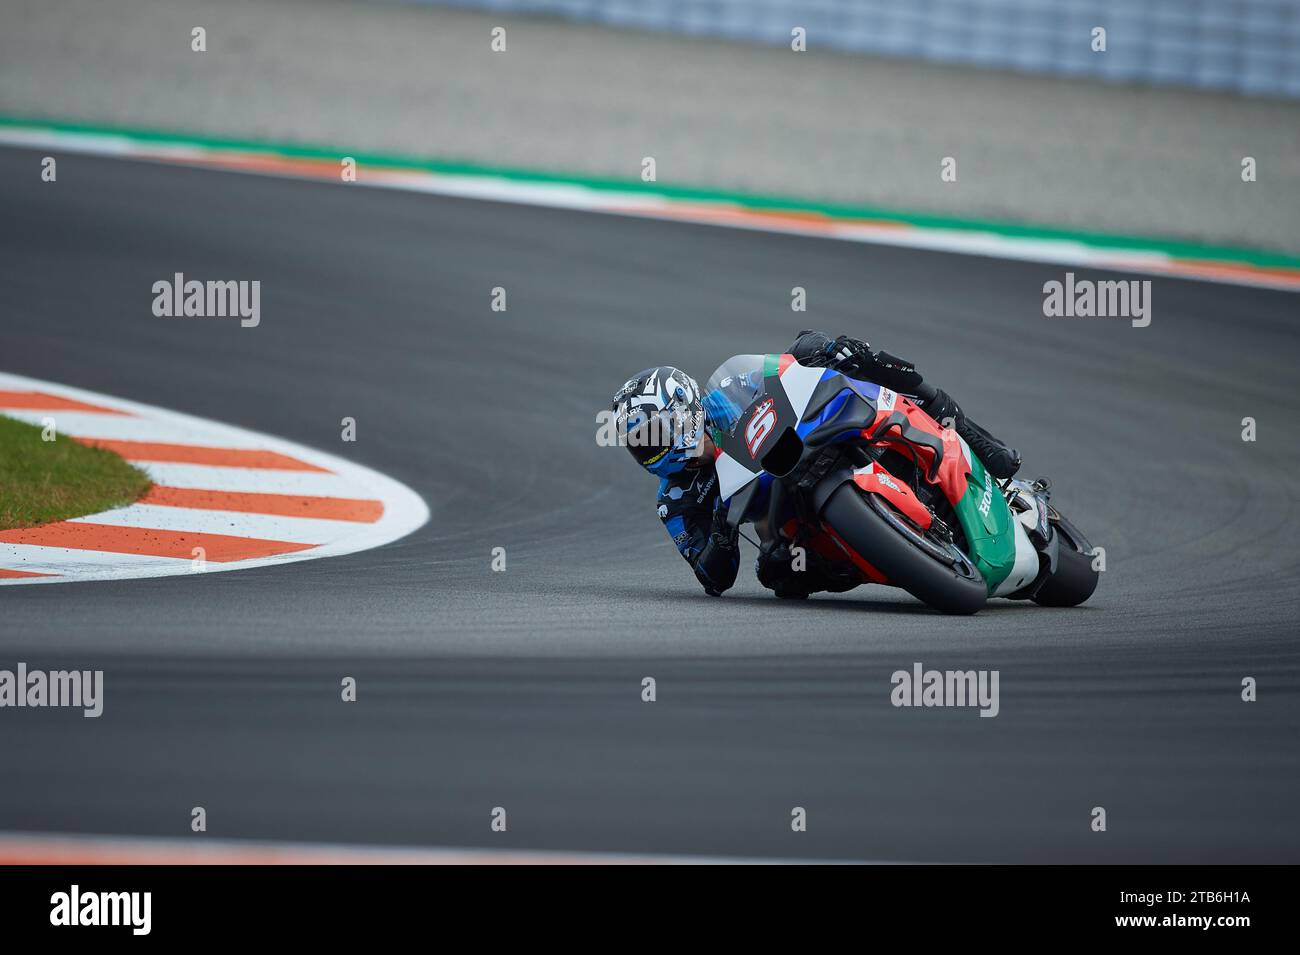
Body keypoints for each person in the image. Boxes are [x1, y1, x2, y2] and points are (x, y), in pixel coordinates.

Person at [610, 331, 1020, 598]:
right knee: (779, 575)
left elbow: (781, 369)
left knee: (830, 350)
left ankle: (963, 428)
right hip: (787, 513)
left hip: (812, 436)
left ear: (682, 408)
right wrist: (721, 535)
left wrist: (817, 351)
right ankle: (897, 557)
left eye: (656, 431)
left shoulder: (727, 391)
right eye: (639, 444)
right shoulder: (675, 502)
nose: (651, 448)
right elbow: (713, 579)